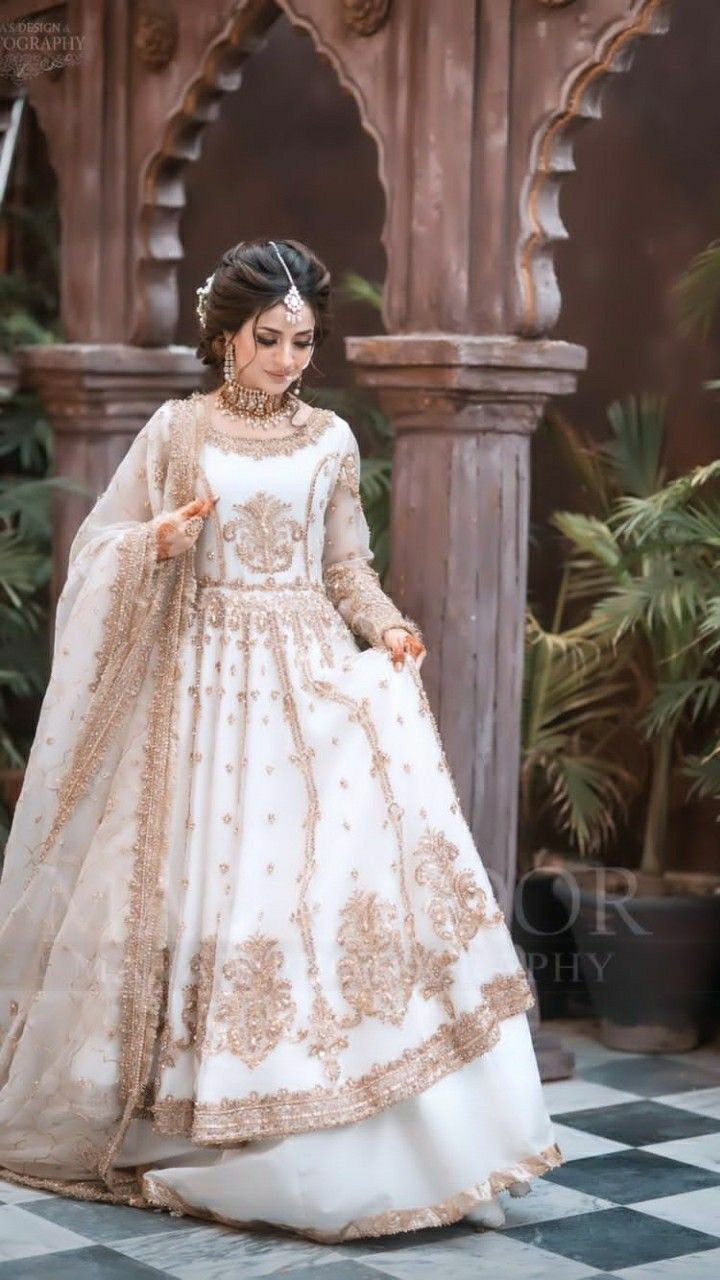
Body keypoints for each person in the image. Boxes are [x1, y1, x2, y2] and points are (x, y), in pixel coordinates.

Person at [0, 238, 562, 1241]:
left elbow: (345, 567)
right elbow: (102, 548)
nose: (289, 358)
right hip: (204, 695)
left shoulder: (333, 440)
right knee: (214, 884)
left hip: (305, 690)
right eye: (270, 339)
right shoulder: (177, 431)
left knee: (316, 887)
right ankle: (198, 1111)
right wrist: (155, 542)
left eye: (304, 340)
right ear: (226, 335)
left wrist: (386, 624)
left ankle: (341, 1115)